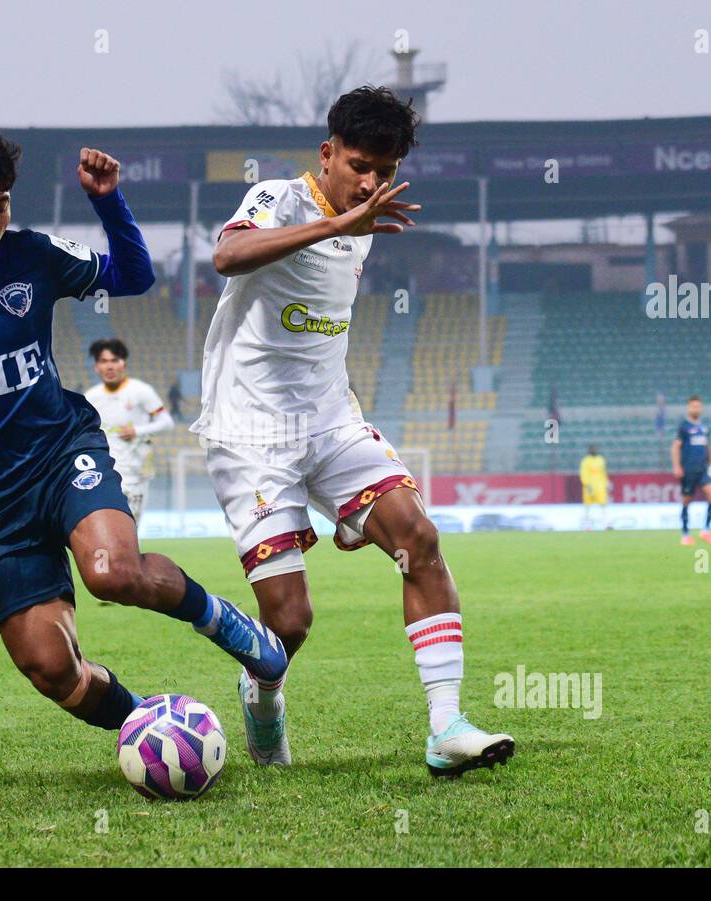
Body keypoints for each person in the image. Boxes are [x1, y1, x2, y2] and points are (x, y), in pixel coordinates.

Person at [0, 125, 285, 744]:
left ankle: (235, 630)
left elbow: (134, 277)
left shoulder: (31, 254)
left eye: (1, 204)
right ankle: (157, 729)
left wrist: (108, 201)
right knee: (52, 670)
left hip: (63, 455)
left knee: (112, 572)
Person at [193, 86, 513, 776]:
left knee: (419, 537)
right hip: (249, 433)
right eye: (360, 165)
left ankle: (445, 724)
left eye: (385, 171)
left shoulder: (363, 221)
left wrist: (345, 475)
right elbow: (226, 255)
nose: (371, 184)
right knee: (290, 622)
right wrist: (337, 226)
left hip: (331, 423)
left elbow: (322, 340)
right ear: (327, 155)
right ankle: (263, 691)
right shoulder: (282, 199)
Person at [83, 338, 173, 521]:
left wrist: (137, 431)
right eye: (104, 361)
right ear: (96, 367)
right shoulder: (91, 397)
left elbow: (166, 422)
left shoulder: (140, 391)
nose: (109, 366)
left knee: (130, 530)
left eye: (114, 360)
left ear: (123, 364)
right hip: (104, 475)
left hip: (135, 475)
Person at [671, 395, 711, 546]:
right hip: (688, 469)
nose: (696, 409)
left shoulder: (705, 428)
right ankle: (685, 534)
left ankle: (705, 531)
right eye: (693, 406)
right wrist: (677, 466)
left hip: (703, 469)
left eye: (698, 406)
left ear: (701, 408)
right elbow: (675, 447)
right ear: (688, 408)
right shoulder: (683, 426)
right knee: (686, 500)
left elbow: (708, 447)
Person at [579, 445, 611, 530]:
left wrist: (606, 483)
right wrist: (587, 484)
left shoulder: (601, 459)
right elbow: (583, 474)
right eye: (592, 449)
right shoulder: (585, 461)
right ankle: (586, 526)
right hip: (589, 486)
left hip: (600, 486)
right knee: (587, 507)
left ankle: (606, 525)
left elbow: (603, 473)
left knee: (603, 505)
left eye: (595, 449)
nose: (594, 451)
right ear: (589, 451)